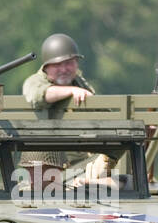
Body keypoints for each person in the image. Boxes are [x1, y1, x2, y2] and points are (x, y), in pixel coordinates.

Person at [20, 33, 103, 177]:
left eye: (69, 63)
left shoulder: (80, 82)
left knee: (125, 182)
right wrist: (72, 91)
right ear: (46, 67)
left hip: (84, 164)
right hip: (48, 168)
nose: (64, 69)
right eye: (58, 65)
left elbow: (104, 115)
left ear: (76, 63)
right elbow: (39, 95)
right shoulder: (34, 81)